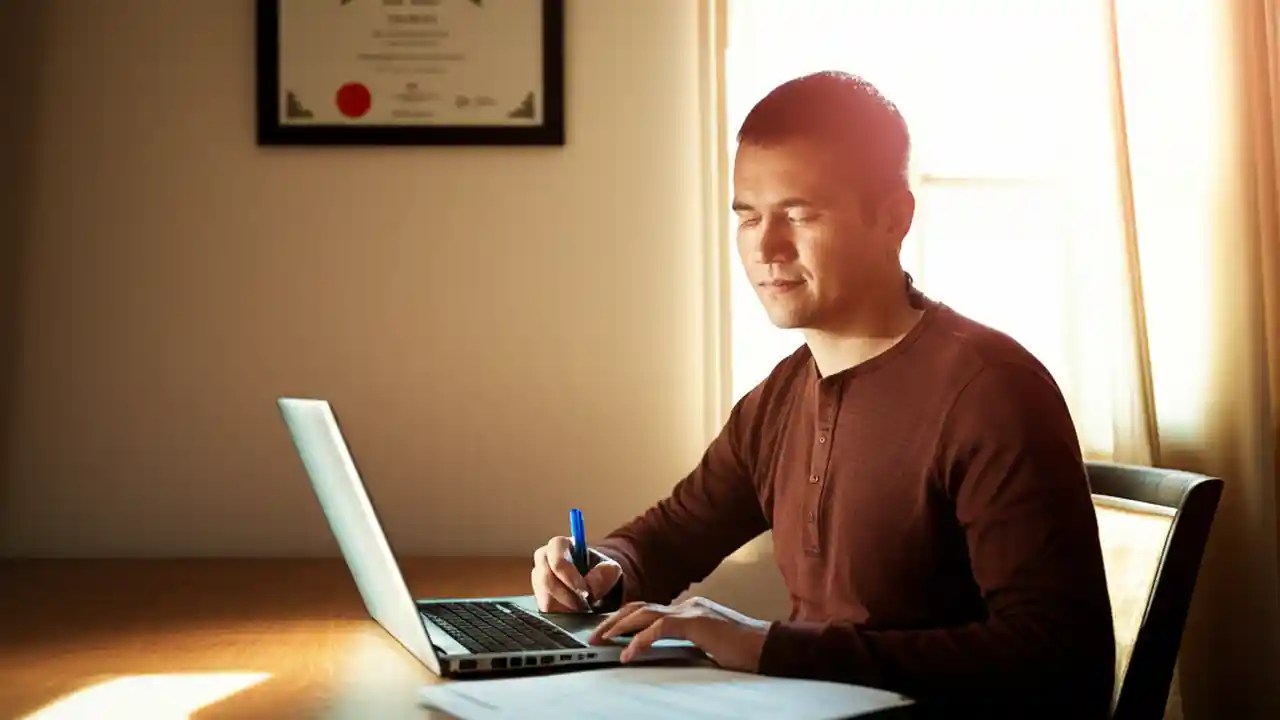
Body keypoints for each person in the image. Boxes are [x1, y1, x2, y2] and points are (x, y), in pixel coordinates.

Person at [530, 71, 1115, 717]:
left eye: (799, 214)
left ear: (894, 217)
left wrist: (770, 647)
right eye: (748, 217)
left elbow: (1059, 660)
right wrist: (600, 568)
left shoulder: (992, 393)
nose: (766, 247)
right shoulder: (783, 394)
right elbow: (670, 538)